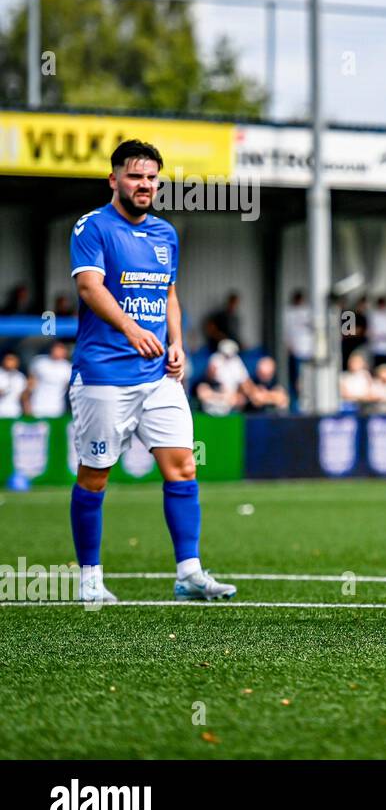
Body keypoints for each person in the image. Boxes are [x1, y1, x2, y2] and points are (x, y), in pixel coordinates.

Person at [67, 139, 235, 603]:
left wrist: (177, 343)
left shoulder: (166, 234)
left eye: (151, 178)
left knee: (182, 468)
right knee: (95, 474)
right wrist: (129, 327)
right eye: (135, 176)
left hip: (159, 377)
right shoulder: (92, 227)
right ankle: (91, 579)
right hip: (104, 375)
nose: (145, 185)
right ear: (114, 179)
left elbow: (169, 296)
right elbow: (88, 287)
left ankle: (189, 573)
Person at [25, 342, 74, 418]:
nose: (58, 351)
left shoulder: (68, 367)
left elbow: (71, 390)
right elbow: (30, 384)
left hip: (57, 409)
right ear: (52, 349)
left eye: (61, 349)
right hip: (36, 407)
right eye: (56, 349)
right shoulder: (39, 362)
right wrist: (27, 404)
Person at [283, 288, 313, 406]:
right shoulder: (288, 312)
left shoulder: (308, 311)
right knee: (296, 380)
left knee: (308, 380)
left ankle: (307, 402)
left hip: (308, 351)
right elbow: (286, 331)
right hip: (296, 351)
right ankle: (296, 404)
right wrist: (288, 345)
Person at [0, 352, 25, 418]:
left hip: (15, 412)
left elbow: (22, 397)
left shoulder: (20, 377)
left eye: (13, 360)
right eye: (8, 359)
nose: (10, 362)